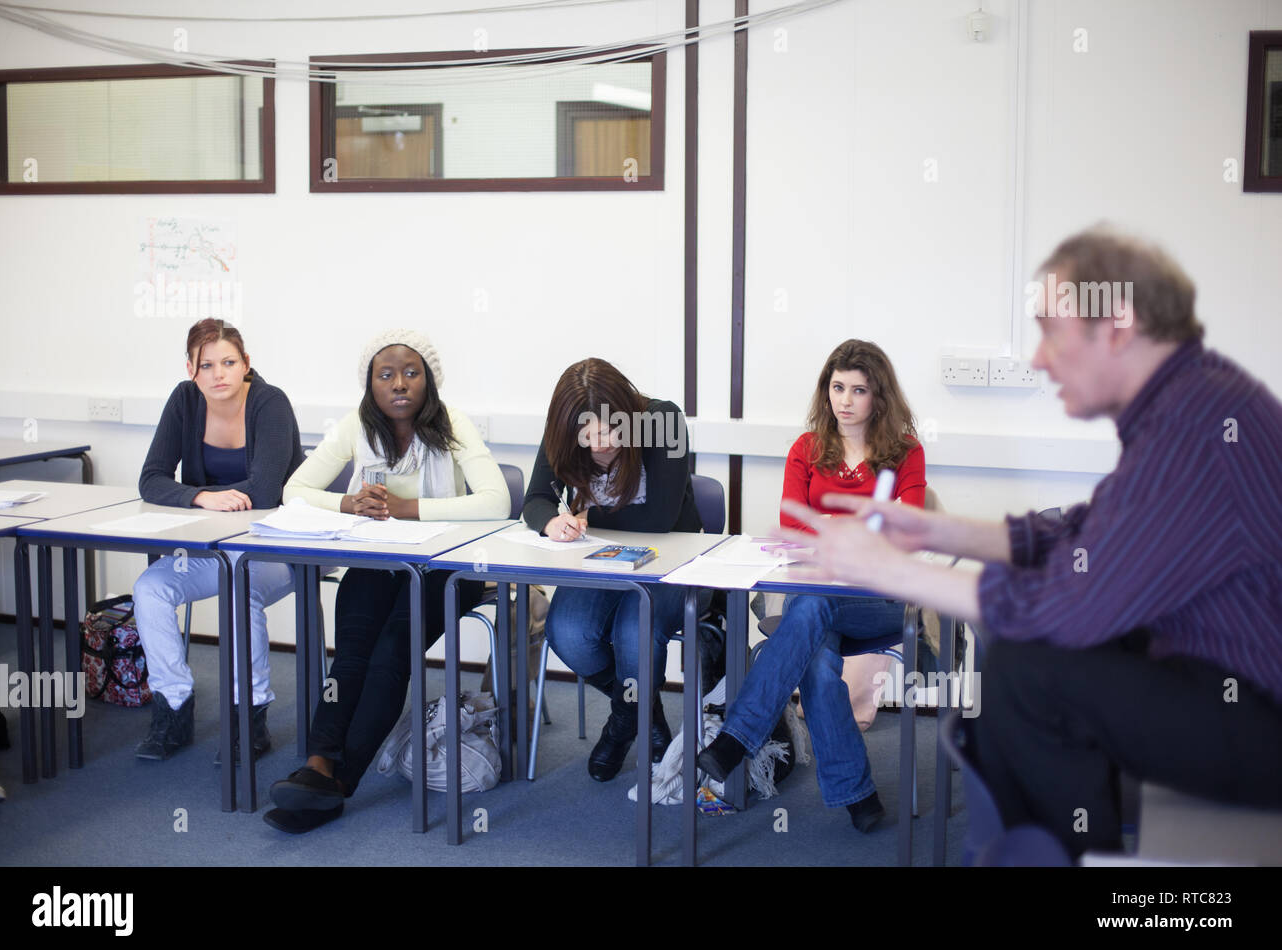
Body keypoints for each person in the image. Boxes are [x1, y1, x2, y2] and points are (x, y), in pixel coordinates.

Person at [779, 227, 1282, 859]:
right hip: (1213, 673)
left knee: (1027, 667)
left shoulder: (1197, 426)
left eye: (1051, 331)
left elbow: (1074, 604)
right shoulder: (1189, 399)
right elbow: (1084, 529)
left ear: (1117, 328)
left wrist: (894, 572)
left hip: (1255, 709)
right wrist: (941, 530)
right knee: (1023, 668)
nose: (1039, 359)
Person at [265, 329, 509, 833]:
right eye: (387, 375)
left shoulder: (452, 423)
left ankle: (337, 781)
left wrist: (407, 509)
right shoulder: (357, 425)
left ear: (429, 381)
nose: (400, 384)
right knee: (351, 655)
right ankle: (318, 762)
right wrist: (347, 502)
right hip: (377, 561)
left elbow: (495, 502)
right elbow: (295, 490)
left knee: (390, 656)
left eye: (411, 373)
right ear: (371, 386)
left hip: (448, 567)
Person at [695, 340, 925, 832]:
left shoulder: (905, 452)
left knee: (811, 606)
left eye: (858, 390)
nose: (845, 400)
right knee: (818, 662)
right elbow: (790, 524)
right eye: (837, 387)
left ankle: (738, 736)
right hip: (814, 591)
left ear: (878, 398)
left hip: (878, 599)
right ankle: (858, 796)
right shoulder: (807, 449)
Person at [522, 358, 701, 781]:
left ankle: (620, 726)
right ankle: (643, 713)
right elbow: (534, 500)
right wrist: (552, 521)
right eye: (589, 433)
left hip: (673, 558)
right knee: (567, 632)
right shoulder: (562, 432)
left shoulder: (663, 421)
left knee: (633, 632)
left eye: (611, 429)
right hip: (604, 559)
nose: (601, 443)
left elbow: (659, 519)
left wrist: (588, 518)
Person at [134, 318, 303, 762]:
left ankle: (250, 715)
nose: (218, 374)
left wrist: (202, 500)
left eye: (228, 362)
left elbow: (267, 490)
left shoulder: (271, 403)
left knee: (238, 587)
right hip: (212, 549)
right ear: (190, 368)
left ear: (246, 363)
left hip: (280, 549)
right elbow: (150, 479)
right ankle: (173, 705)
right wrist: (202, 497)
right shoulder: (185, 401)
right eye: (206, 365)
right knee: (149, 589)